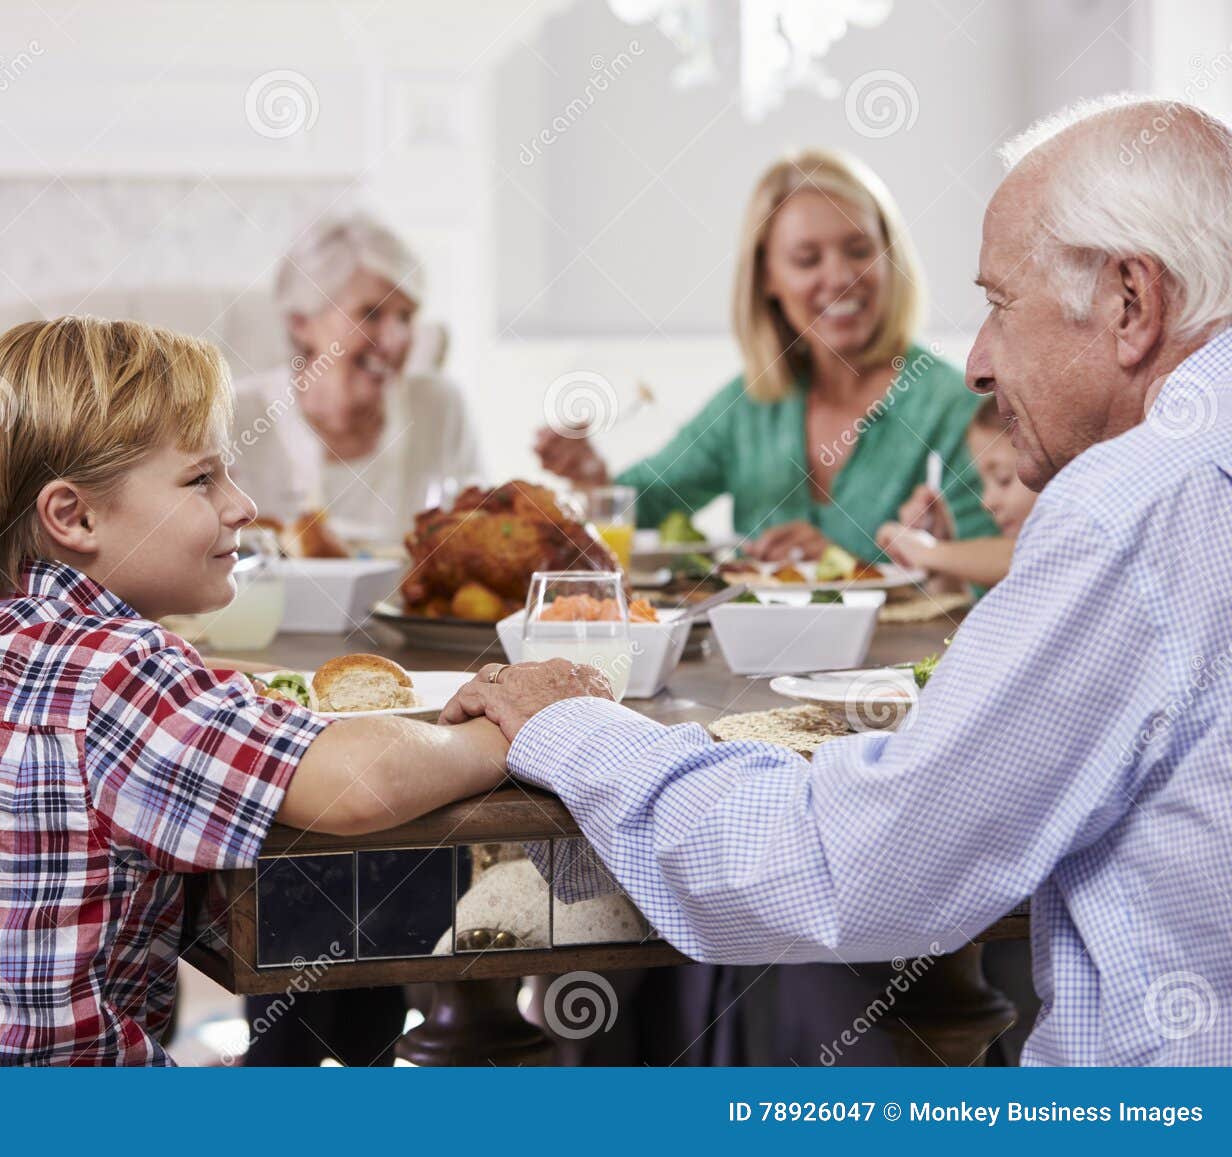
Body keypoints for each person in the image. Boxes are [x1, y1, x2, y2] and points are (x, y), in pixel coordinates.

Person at [446, 94, 1232, 1066]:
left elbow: (853, 867)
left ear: (1128, 301)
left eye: (997, 304)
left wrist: (572, 724)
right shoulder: (759, 401)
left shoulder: (1128, 506)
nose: (978, 360)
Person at [0, 316, 509, 1065]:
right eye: (203, 478)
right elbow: (361, 786)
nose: (241, 505)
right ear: (75, 515)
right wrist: (506, 728)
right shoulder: (119, 669)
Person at [535, 149, 993, 562]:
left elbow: (996, 571)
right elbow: (649, 505)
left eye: (859, 251)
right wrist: (594, 481)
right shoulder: (752, 404)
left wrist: (849, 571)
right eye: (806, 259)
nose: (840, 277)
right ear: (766, 278)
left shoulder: (954, 406)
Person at [227, 212, 483, 545]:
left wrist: (575, 480)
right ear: (301, 322)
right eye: (371, 314)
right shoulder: (232, 417)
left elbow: (481, 536)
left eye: (406, 316)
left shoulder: (438, 406)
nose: (395, 340)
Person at [877, 397, 1038, 588]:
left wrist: (928, 552)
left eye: (1003, 479)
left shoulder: (1053, 546)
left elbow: (1025, 554)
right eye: (982, 484)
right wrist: (941, 549)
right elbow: (953, 609)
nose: (987, 502)